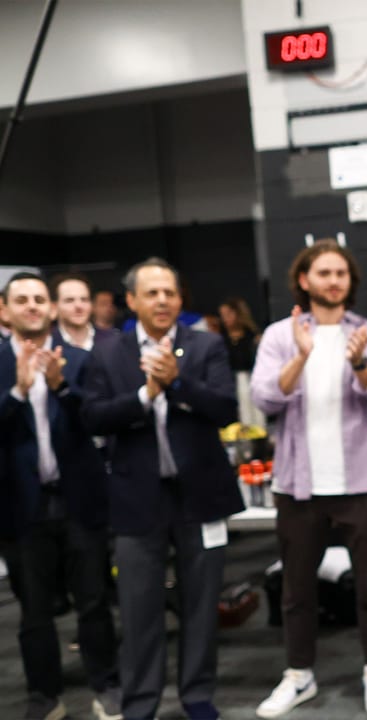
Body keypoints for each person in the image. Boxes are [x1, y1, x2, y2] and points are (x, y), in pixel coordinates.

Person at [82, 257, 244, 720]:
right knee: (138, 610)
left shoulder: (206, 344)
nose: (162, 301)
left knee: (199, 606)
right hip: (136, 499)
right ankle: (140, 704)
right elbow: (92, 416)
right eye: (151, 293)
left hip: (200, 495)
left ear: (180, 299)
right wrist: (144, 397)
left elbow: (225, 409)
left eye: (169, 293)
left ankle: (197, 696)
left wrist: (177, 385)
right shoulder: (107, 352)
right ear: (131, 301)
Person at [250, 239, 367, 718]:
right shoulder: (280, 335)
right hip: (299, 483)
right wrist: (301, 355)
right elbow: (264, 400)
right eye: (324, 272)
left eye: (340, 273)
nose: (333, 280)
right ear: (304, 280)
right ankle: (299, 675)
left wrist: (360, 364)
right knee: (296, 588)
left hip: (361, 481)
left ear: (349, 281)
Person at [0, 272, 121, 720]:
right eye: (21, 300)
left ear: (51, 308)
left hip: (79, 501)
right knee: (34, 611)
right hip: (20, 506)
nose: (31, 306)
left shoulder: (79, 359)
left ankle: (106, 684)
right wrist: (16, 392)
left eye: (38, 299)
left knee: (93, 602)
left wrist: (60, 388)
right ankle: (44, 696)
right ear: (4, 311)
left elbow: (98, 421)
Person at [218, 296, 265, 429]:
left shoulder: (252, 336)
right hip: (234, 381)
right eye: (223, 315)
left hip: (252, 377)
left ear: (238, 314)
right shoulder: (221, 340)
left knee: (257, 410)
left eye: (228, 314)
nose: (225, 319)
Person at [52, 274, 119, 352]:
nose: (79, 306)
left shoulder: (113, 340)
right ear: (54, 307)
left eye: (84, 299)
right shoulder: (47, 344)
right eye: (69, 300)